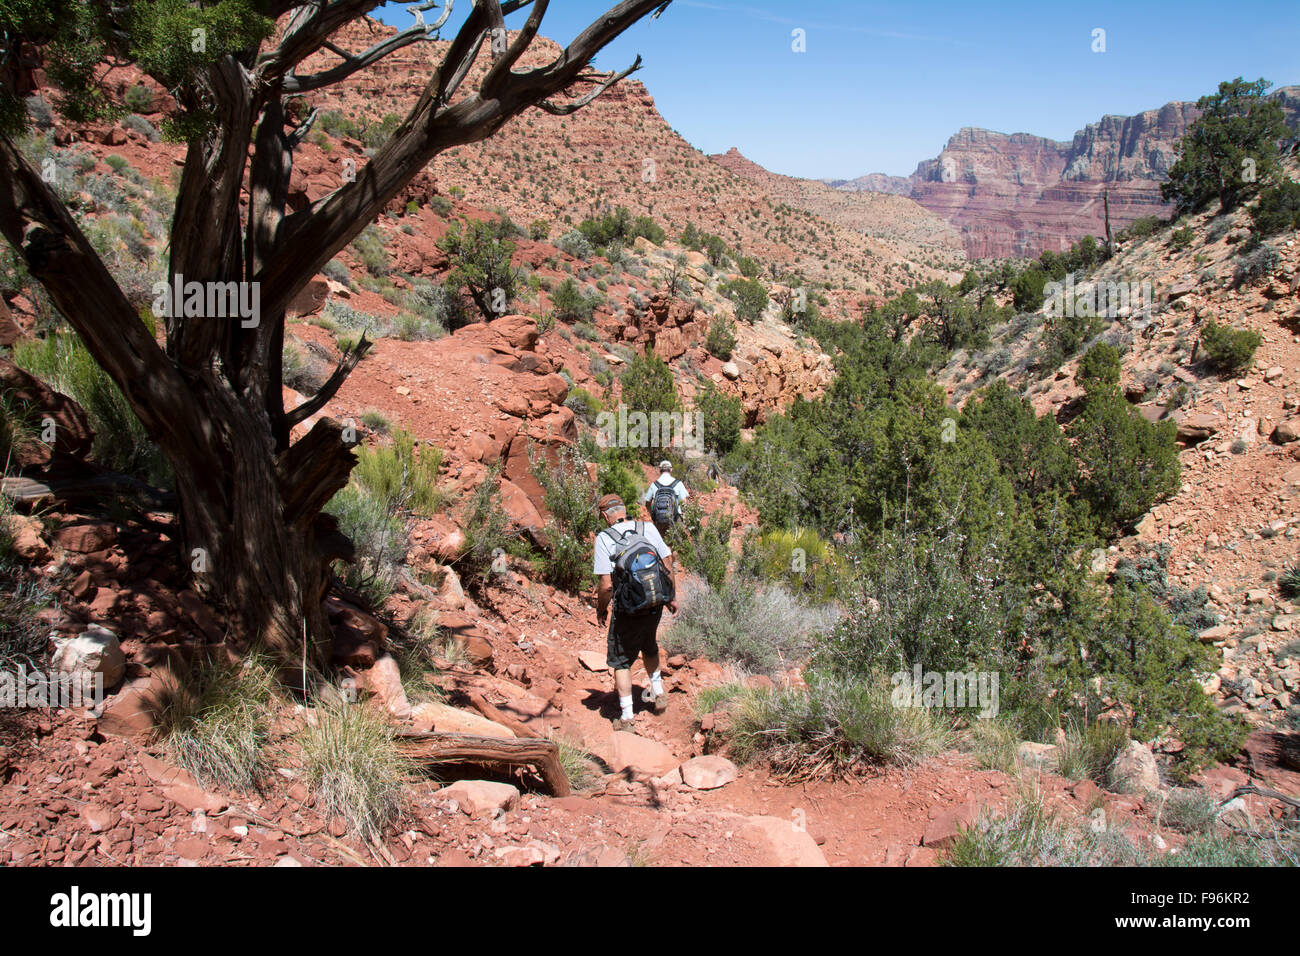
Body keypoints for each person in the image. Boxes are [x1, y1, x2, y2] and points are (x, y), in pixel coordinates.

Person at [593, 493, 677, 731]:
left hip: (628, 608)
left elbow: (607, 585)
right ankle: (659, 693)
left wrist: (601, 609)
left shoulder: (604, 538)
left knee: (621, 661)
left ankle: (627, 717)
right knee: (649, 644)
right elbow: (667, 561)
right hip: (654, 601)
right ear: (623, 509)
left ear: (604, 515)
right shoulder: (647, 528)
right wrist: (671, 596)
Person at [642, 459, 688, 537]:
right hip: (675, 519)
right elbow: (684, 502)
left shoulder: (654, 485)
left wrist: (652, 515)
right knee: (676, 544)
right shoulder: (678, 483)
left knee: (660, 543)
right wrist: (685, 516)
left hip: (659, 519)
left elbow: (647, 503)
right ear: (671, 470)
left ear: (660, 470)